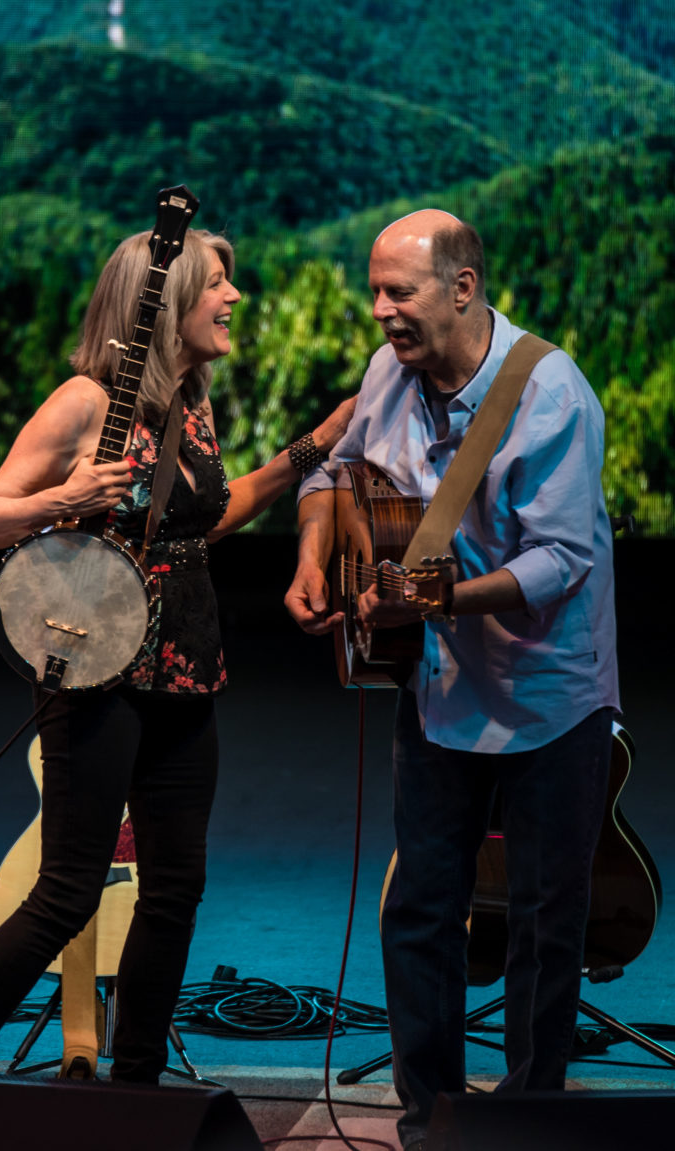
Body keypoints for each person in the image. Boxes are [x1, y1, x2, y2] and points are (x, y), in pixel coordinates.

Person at [0, 226, 355, 1081]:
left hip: (187, 667)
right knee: (68, 890)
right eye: (217, 284)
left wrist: (317, 444)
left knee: (174, 890)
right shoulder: (87, 402)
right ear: (162, 305)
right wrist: (66, 493)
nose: (234, 297)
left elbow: (208, 515)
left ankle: (136, 1077)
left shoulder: (192, 400)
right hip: (100, 670)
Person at [284, 209, 619, 1148]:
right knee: (422, 898)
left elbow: (561, 562)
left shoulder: (550, 394)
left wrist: (441, 600)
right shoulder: (387, 374)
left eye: (401, 292)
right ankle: (428, 1108)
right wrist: (316, 560)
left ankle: (526, 1110)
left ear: (463, 289)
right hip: (433, 683)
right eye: (375, 290)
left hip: (548, 691)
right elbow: (330, 479)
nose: (380, 311)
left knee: (547, 914)